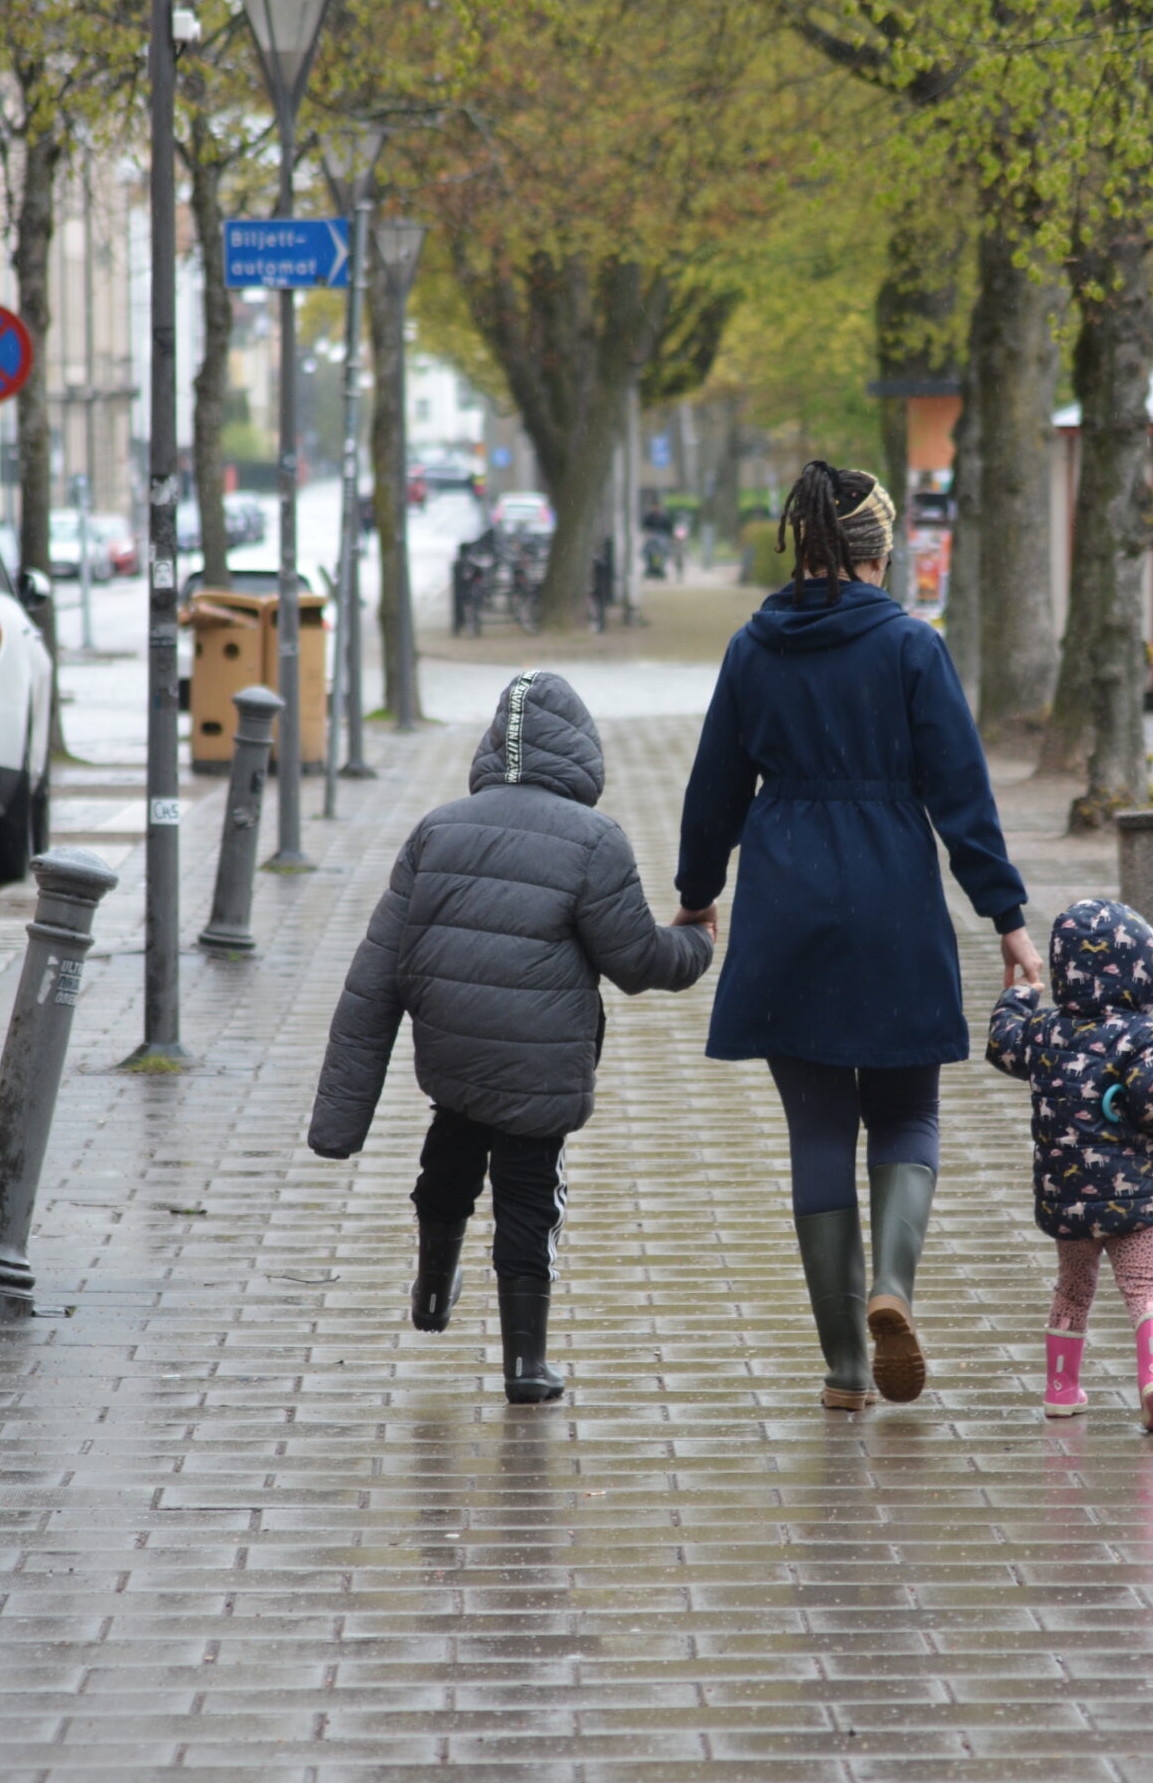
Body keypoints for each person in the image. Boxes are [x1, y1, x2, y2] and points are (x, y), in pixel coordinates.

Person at [674, 459, 1040, 1412]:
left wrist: (697, 894)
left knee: (818, 1130)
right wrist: (1007, 918)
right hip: (893, 904)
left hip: (785, 905)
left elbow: (714, 788)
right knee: (907, 1114)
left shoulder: (753, 648)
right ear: (878, 556)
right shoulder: (912, 647)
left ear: (802, 549)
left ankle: (843, 1367)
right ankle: (894, 1287)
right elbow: (962, 796)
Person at [307, 670, 714, 1403]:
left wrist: (338, 1123)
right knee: (529, 1197)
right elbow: (638, 962)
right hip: (538, 1065)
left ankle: (433, 1292)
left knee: (451, 1155)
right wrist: (699, 943)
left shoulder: (436, 829)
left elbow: (374, 977)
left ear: (493, 746)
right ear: (581, 749)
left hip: (453, 1050)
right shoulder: (594, 840)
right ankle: (525, 1365)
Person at [987, 897, 1153, 1429]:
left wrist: (1020, 994)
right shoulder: (1142, 1036)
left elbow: (1001, 1044)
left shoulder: (1044, 1031)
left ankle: (1060, 1389)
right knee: (1142, 1284)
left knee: (1073, 1287)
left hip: (1067, 1197)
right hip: (1131, 1195)